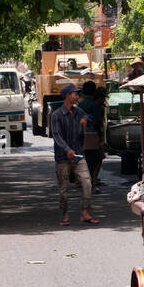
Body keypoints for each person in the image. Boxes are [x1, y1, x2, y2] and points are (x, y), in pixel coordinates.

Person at [50, 83, 97, 225]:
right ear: (68, 96)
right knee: (64, 187)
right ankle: (65, 215)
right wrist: (67, 149)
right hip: (63, 157)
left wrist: (85, 121)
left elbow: (90, 120)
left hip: (78, 154)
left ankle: (85, 212)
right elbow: (56, 135)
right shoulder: (56, 115)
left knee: (87, 182)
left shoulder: (79, 112)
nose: (77, 96)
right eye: (75, 94)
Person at [78, 81, 106, 192]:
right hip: (92, 136)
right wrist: (101, 139)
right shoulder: (95, 106)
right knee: (92, 162)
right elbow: (98, 123)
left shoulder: (80, 105)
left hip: (81, 136)